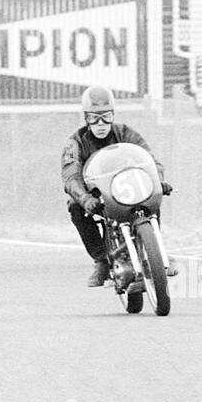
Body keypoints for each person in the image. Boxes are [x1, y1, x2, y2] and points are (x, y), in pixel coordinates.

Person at [62, 86, 177, 288]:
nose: (100, 124)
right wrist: (85, 198)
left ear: (113, 115)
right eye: (93, 118)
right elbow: (71, 176)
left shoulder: (125, 133)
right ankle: (101, 261)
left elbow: (151, 161)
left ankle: (155, 251)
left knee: (152, 193)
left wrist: (156, 180)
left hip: (128, 188)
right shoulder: (75, 142)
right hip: (97, 196)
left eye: (106, 117)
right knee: (74, 206)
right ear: (85, 118)